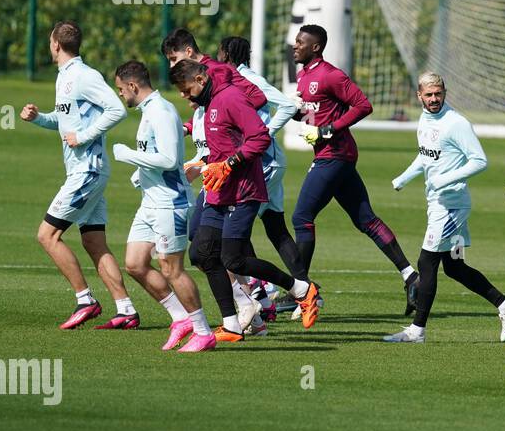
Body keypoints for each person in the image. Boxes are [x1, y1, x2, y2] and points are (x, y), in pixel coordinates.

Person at [171, 59, 321, 348]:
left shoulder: (230, 98)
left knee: (233, 259)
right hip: (218, 190)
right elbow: (220, 146)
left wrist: (229, 164)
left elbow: (260, 137)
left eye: (185, 88)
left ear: (200, 80)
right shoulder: (209, 104)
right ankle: (231, 324)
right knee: (202, 253)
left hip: (243, 191)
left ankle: (301, 288)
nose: (183, 95)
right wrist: (206, 165)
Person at [290, 24, 420, 325]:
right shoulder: (304, 75)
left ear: (316, 47)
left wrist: (328, 129)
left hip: (335, 155)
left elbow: (363, 105)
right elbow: (316, 111)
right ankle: (411, 276)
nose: (295, 46)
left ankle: (301, 289)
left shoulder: (331, 74)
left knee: (301, 218)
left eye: (300, 42)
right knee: (366, 220)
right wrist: (301, 116)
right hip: (333, 154)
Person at [385, 72, 505, 343]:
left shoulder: (456, 123)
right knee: (455, 266)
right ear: (419, 96)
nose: (434, 99)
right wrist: (404, 177)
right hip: (437, 204)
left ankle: (417, 331)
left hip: (451, 208)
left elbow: (479, 160)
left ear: (444, 92)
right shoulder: (425, 120)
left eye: (438, 94)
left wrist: (445, 179)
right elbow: (426, 155)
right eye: (429, 95)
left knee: (427, 262)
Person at [20, 20, 134, 330]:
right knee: (94, 242)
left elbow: (117, 109)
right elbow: (66, 120)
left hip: (87, 171)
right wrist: (39, 118)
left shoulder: (84, 76)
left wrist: (83, 138)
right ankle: (126, 309)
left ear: (55, 44)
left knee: (47, 235)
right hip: (85, 171)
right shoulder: (66, 78)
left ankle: (85, 300)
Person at [110, 60, 214, 351]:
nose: (120, 94)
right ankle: (180, 318)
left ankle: (203, 332)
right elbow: (155, 155)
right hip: (150, 203)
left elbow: (169, 160)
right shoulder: (147, 112)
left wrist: (129, 156)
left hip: (170, 204)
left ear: (133, 86)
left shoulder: (162, 111)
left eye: (120, 89)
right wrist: (140, 173)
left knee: (172, 270)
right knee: (134, 263)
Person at [217, 36, 304, 310]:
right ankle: (305, 291)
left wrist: (263, 135)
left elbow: (289, 106)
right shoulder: (232, 78)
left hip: (263, 162)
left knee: (233, 228)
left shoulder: (248, 79)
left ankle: (259, 294)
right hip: (265, 161)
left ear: (227, 54)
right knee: (275, 227)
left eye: (219, 53)